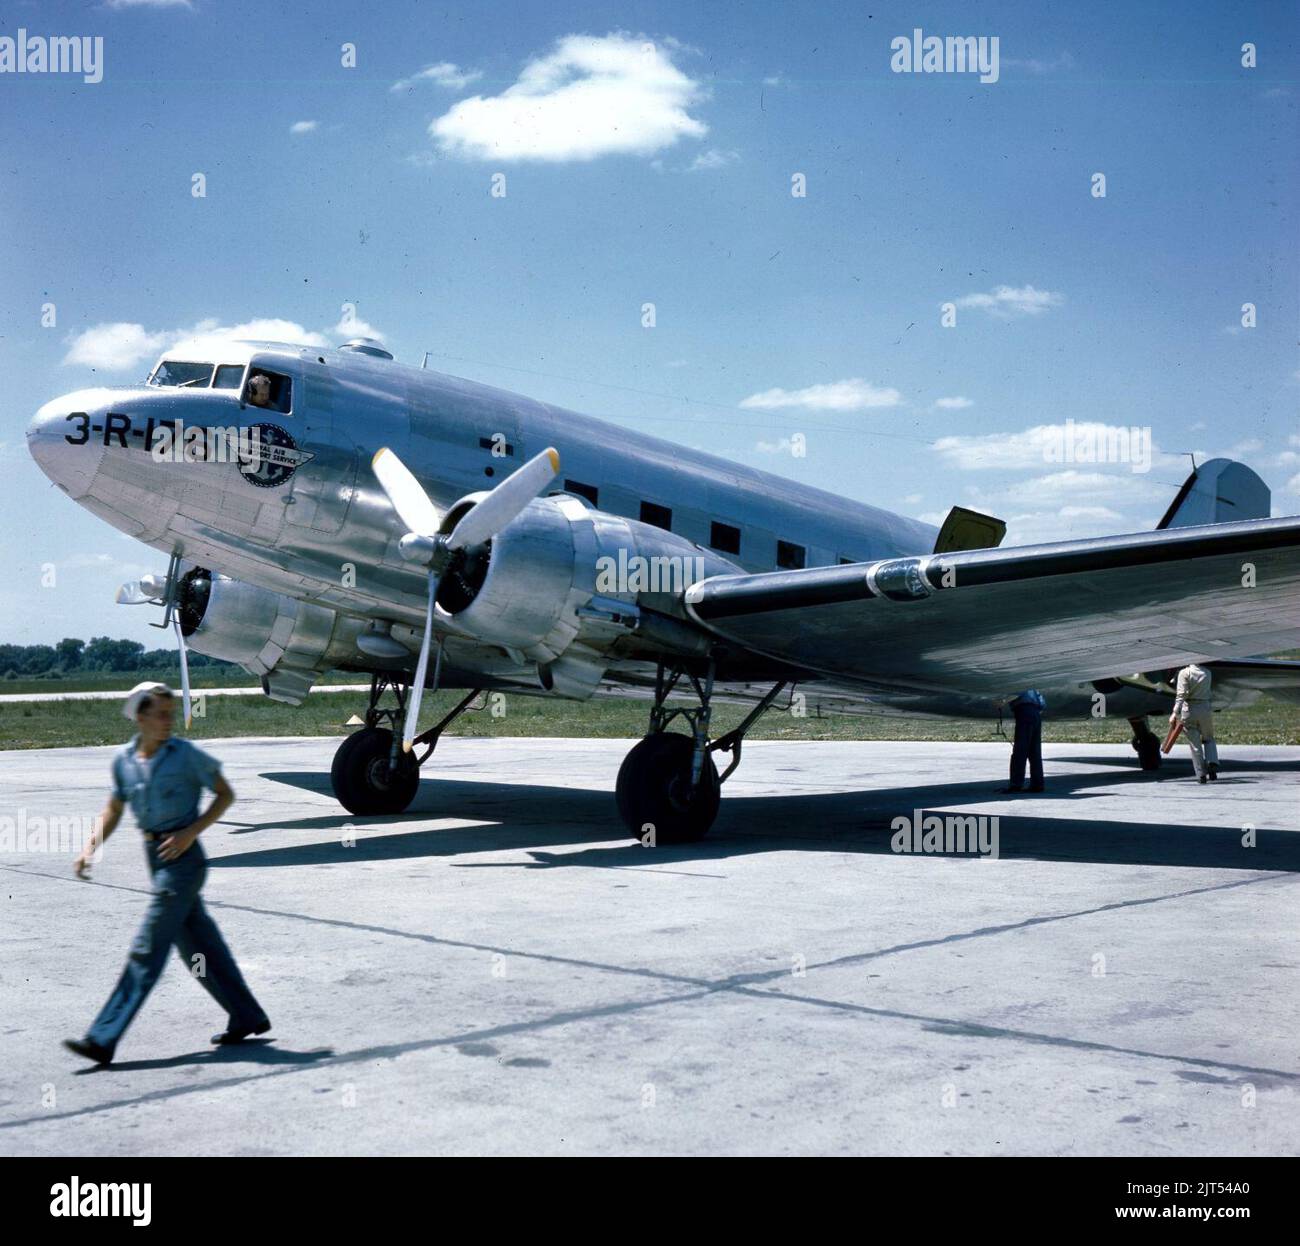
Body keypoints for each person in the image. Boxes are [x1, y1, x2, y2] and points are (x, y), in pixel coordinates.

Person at [64, 682, 270, 1065]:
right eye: (160, 714)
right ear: (139, 716)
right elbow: (113, 809)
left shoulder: (186, 755)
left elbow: (225, 794)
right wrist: (89, 847)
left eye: (171, 714)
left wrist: (191, 833)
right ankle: (247, 1015)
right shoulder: (123, 761)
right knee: (200, 950)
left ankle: (102, 1037)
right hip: (154, 857)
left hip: (184, 864)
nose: (168, 722)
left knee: (147, 948)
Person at [1170, 662, 1219, 784]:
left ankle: (1201, 774)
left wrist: (1175, 713)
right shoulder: (1207, 673)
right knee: (1209, 737)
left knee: (1195, 744)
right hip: (1204, 708)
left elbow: (1181, 695)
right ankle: (1212, 761)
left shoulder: (1184, 673)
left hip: (1189, 709)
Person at [1001, 688, 1046, 793]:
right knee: (1034, 753)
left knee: (1020, 751)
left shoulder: (1020, 684)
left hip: (1024, 712)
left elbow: (1017, 693)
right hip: (1036, 714)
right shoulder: (1033, 688)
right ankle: (1037, 785)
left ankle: (1016, 784)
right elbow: (1042, 703)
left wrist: (1002, 701)